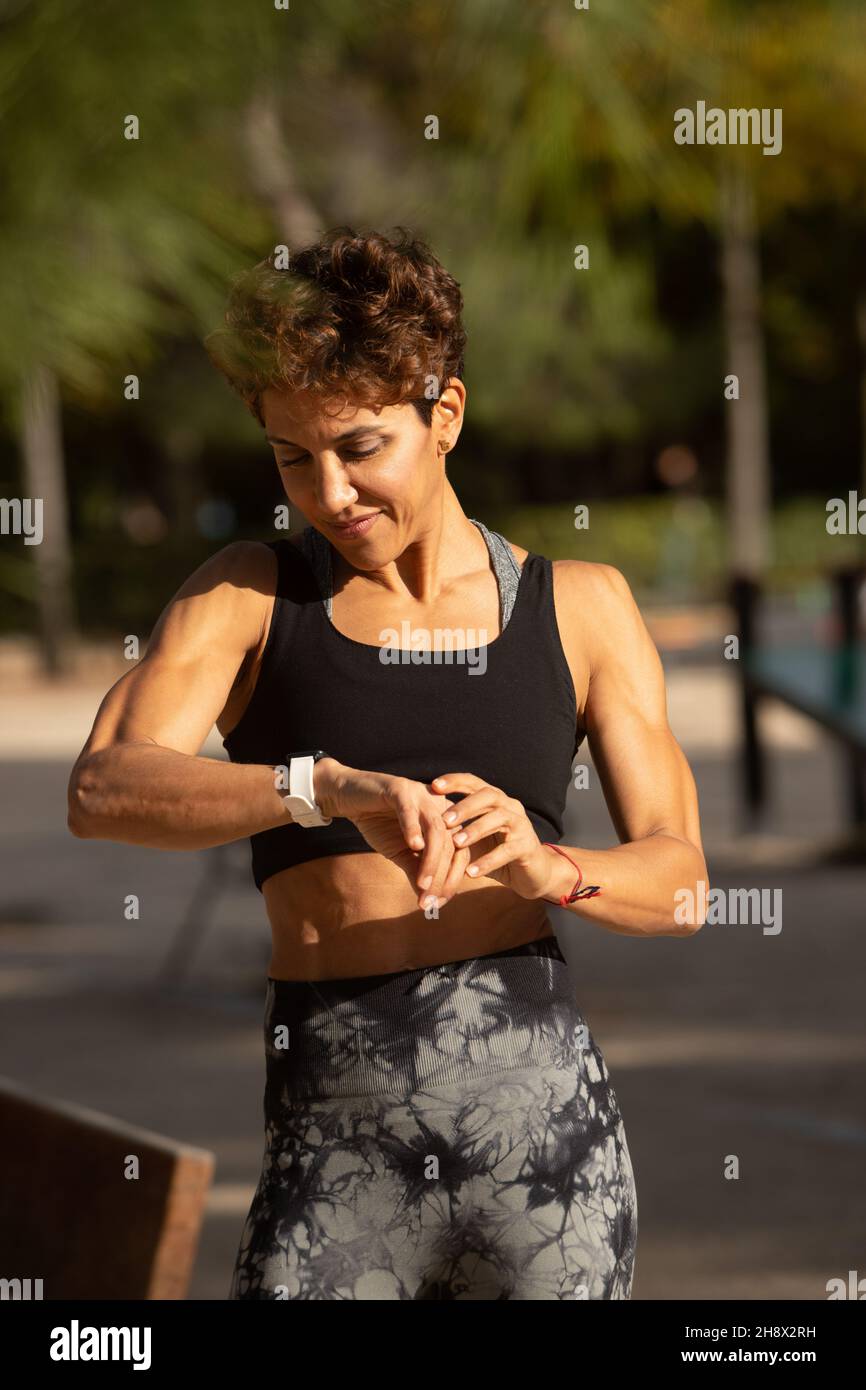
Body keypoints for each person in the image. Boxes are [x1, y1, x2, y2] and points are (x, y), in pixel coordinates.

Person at [68, 225, 708, 1301]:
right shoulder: (249, 594)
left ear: (443, 413)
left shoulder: (581, 606)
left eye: (361, 447)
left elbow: (684, 885)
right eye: (292, 457)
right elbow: (101, 789)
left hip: (547, 1148)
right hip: (331, 1145)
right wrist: (318, 787)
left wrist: (551, 868)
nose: (330, 492)